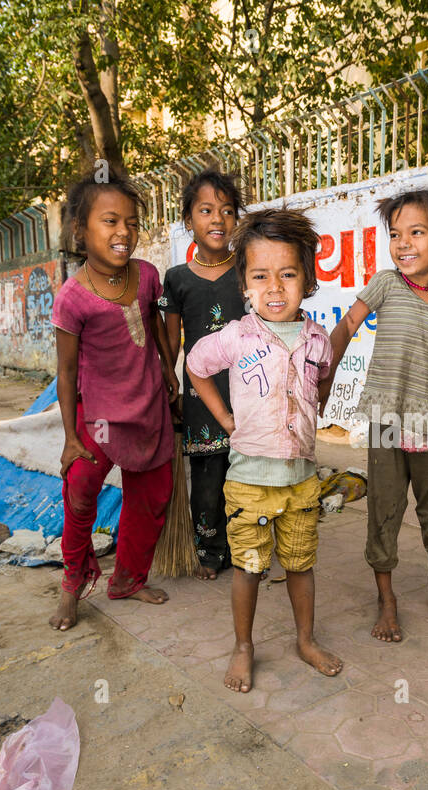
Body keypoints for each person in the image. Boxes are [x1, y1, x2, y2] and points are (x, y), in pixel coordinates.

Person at [186, 208, 340, 693]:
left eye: (288, 274)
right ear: (244, 284)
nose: (275, 288)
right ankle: (243, 646)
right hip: (250, 480)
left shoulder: (317, 339)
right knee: (249, 569)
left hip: (301, 479)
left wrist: (312, 413)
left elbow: (323, 380)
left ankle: (305, 639)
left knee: (301, 563)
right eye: (261, 276)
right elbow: (194, 366)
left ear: (308, 280)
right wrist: (226, 419)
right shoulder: (236, 337)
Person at [328, 187, 428, 643]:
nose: (403, 243)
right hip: (386, 420)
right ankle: (387, 599)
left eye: (417, 232)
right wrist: (325, 374)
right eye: (396, 234)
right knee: (385, 510)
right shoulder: (386, 284)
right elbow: (349, 324)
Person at [48, 171, 179, 631]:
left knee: (151, 497)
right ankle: (73, 583)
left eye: (131, 221)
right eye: (109, 221)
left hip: (149, 408)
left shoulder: (146, 275)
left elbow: (157, 327)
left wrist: (168, 369)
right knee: (81, 490)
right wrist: (69, 436)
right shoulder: (72, 298)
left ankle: (127, 579)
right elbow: (65, 372)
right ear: (80, 231)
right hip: (99, 417)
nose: (123, 231)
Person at [160, 169, 247, 579]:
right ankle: (211, 551)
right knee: (208, 477)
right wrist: (169, 380)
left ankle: (250, 544)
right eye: (206, 210)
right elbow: (171, 339)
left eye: (227, 211)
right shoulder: (176, 279)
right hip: (199, 395)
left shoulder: (249, 271)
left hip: (250, 389)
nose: (218, 220)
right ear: (188, 219)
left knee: (249, 473)